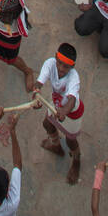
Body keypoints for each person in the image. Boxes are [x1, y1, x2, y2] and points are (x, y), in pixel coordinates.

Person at [33, 43, 84, 184]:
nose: (61, 69)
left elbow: (72, 100)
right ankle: (56, 145)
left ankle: (77, 161)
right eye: (59, 64)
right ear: (55, 58)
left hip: (72, 112)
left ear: (72, 66)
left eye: (66, 67)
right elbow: (38, 83)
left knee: (70, 140)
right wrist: (36, 94)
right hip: (57, 103)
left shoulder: (74, 77)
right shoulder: (50, 64)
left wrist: (64, 112)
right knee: (47, 124)